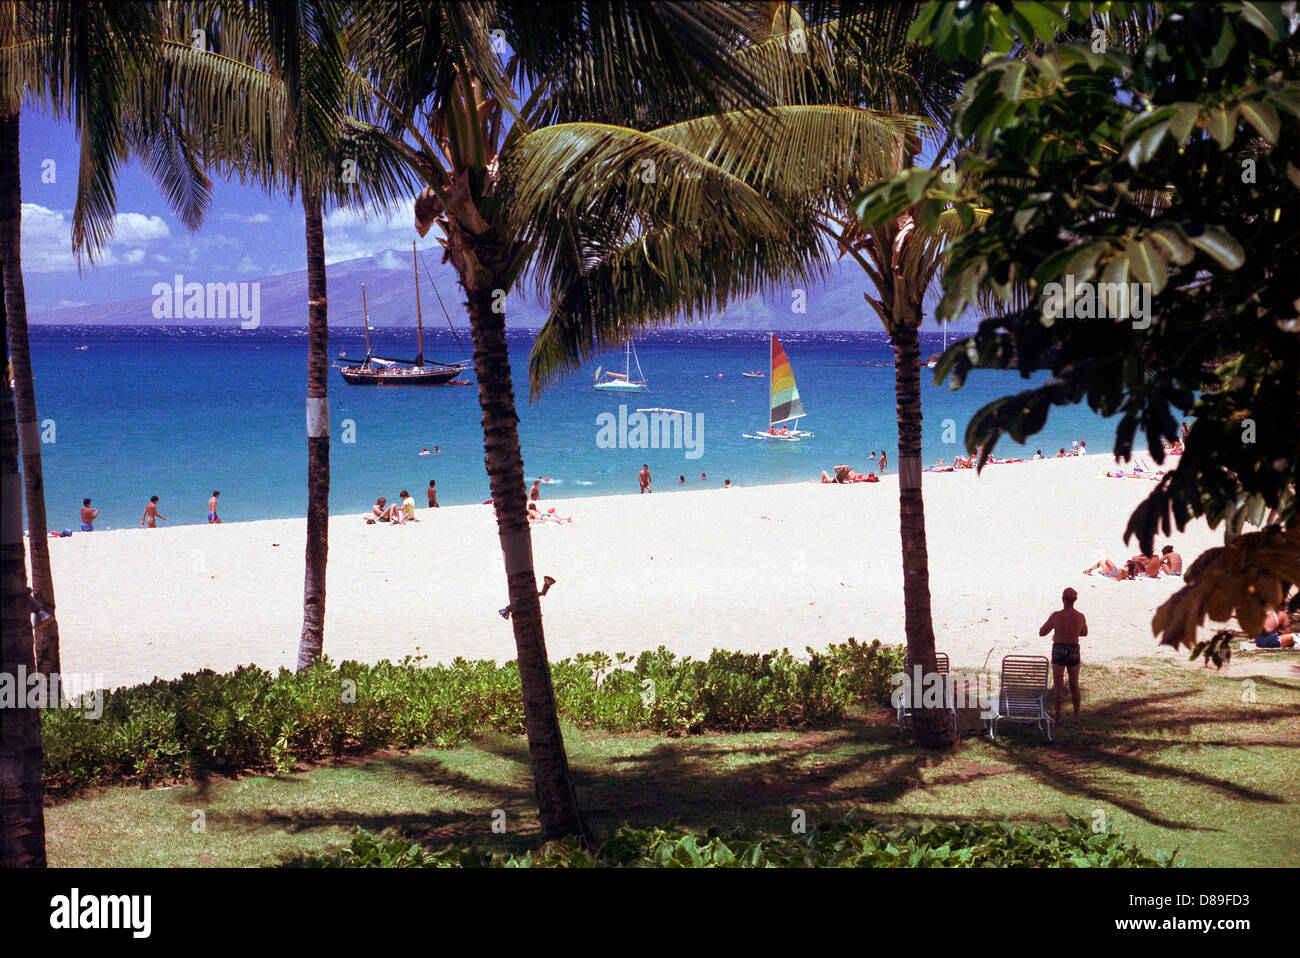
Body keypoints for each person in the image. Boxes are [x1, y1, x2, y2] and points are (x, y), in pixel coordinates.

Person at [1040, 587, 1088, 725]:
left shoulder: (1056, 615)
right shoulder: (1080, 616)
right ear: (1075, 600)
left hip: (1059, 649)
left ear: (1063, 599)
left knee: (1058, 684)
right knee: (1074, 684)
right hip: (1073, 649)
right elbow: (1084, 632)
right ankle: (1076, 717)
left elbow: (1042, 632)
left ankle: (1058, 717)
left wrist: (1057, 629)